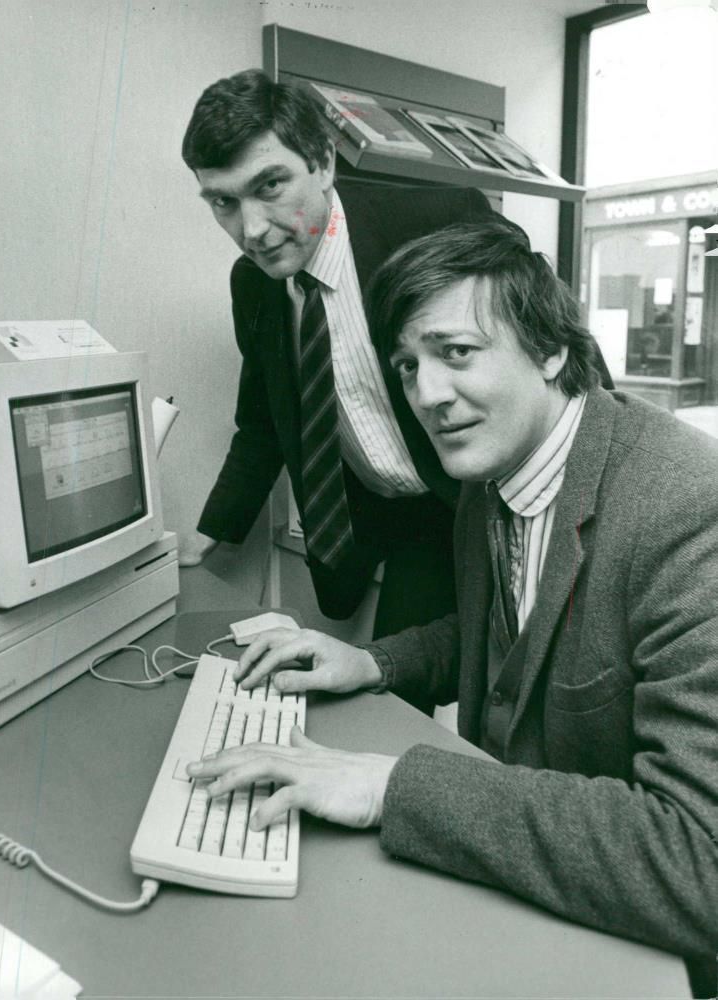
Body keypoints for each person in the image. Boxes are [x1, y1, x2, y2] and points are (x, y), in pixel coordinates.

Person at [187, 220, 718, 981]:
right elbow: (503, 634)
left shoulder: (689, 507)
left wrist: (388, 786)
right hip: (521, 893)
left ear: (550, 349)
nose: (427, 395)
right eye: (407, 366)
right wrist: (371, 663)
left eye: (457, 352)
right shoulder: (493, 476)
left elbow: (700, 860)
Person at [179, 68, 512, 636]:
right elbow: (263, 423)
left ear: (324, 163)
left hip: (483, 501)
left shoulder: (436, 223)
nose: (251, 229)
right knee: (395, 673)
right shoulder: (253, 283)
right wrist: (209, 532)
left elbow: (552, 346)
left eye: (269, 186)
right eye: (223, 202)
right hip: (398, 523)